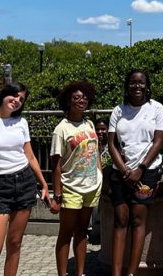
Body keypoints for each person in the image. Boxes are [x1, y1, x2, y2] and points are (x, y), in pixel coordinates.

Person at [0, 83, 50, 276]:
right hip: (0, 186)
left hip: (25, 182)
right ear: (4, 95)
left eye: (21, 99)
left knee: (15, 243)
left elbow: (30, 156)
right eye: (14, 96)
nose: (17, 101)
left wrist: (44, 184)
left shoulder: (21, 122)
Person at [107, 69, 163, 276]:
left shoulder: (156, 108)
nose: (137, 86)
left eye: (141, 82)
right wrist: (125, 170)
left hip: (147, 172)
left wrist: (140, 169)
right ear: (127, 86)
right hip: (120, 172)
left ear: (147, 86)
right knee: (120, 220)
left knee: (137, 220)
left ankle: (132, 273)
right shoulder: (118, 110)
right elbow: (112, 144)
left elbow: (158, 141)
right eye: (133, 82)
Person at [50, 81, 103, 276]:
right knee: (66, 232)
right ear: (68, 101)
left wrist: (99, 174)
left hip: (91, 186)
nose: (81, 101)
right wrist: (57, 195)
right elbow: (56, 165)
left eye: (84, 97)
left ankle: (80, 273)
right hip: (71, 186)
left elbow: (95, 151)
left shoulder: (89, 123)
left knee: (82, 231)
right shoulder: (61, 129)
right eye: (76, 98)